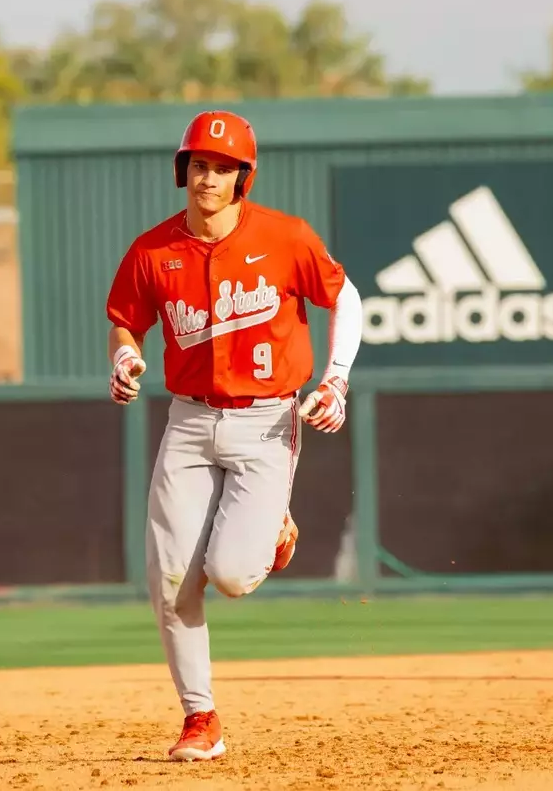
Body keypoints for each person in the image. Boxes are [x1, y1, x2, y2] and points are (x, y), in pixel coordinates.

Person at [105, 109, 362, 762]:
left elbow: (347, 296)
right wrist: (124, 356)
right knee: (168, 579)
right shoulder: (153, 251)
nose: (208, 177)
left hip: (265, 422)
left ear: (242, 177)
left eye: (223, 167)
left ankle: (273, 530)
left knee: (230, 577)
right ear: (182, 170)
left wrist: (336, 378)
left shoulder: (285, 237)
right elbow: (126, 324)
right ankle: (201, 718)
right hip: (188, 421)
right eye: (199, 164)